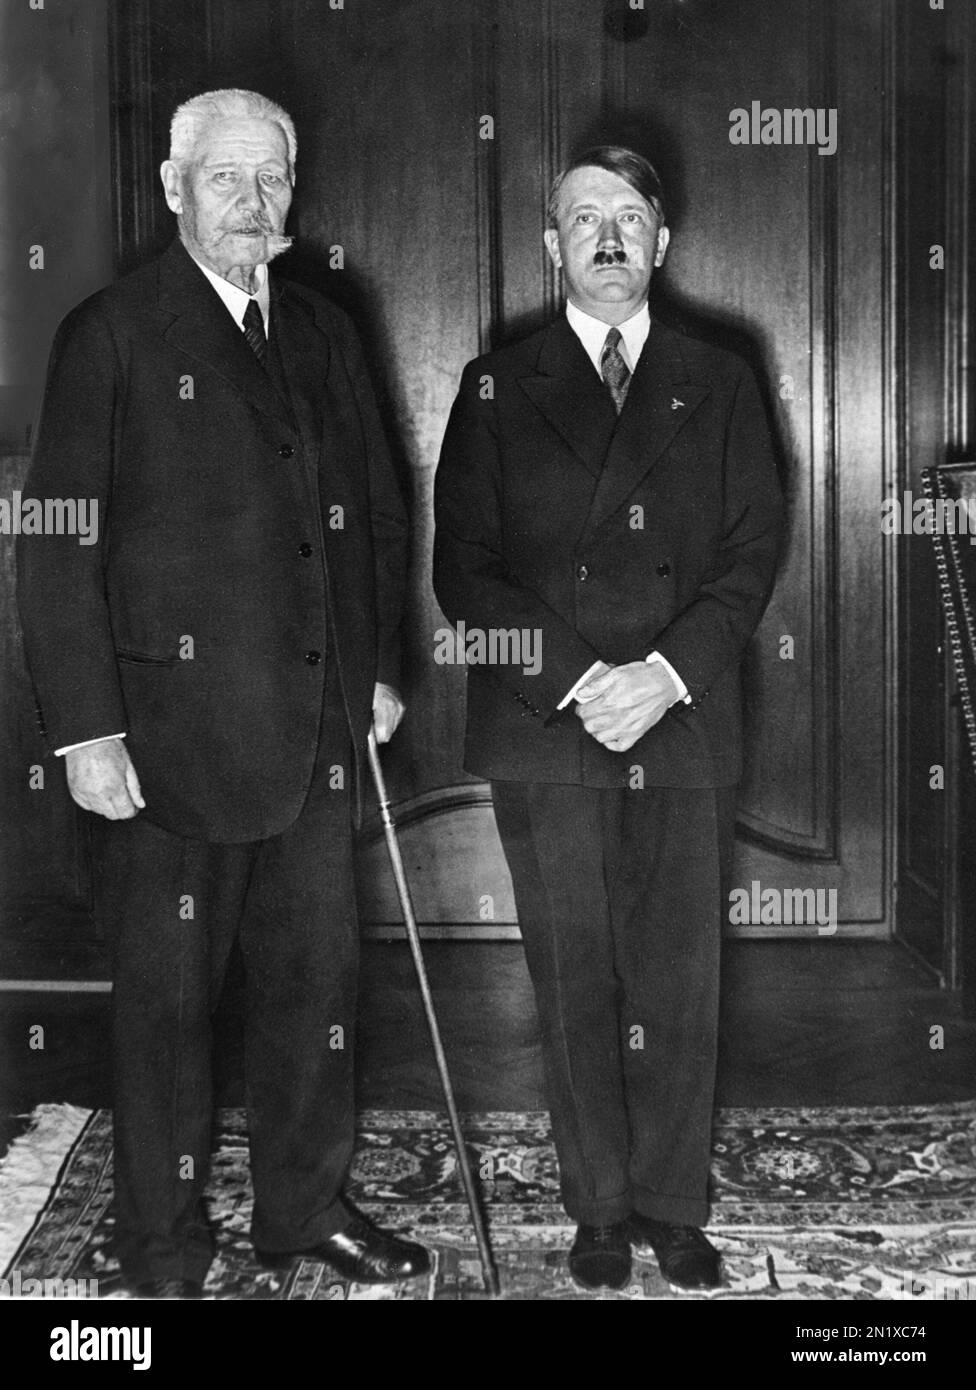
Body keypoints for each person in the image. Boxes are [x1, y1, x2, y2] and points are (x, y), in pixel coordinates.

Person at [17, 88, 428, 1298]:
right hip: (166, 745)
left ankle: (304, 1210)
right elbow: (58, 541)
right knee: (167, 1014)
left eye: (272, 182)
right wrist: (88, 731)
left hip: (313, 735)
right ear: (172, 188)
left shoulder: (323, 330)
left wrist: (381, 670)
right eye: (224, 180)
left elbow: (370, 517)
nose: (252, 205)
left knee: (317, 991)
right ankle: (161, 1245)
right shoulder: (112, 333)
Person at [434, 145, 783, 1293]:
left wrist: (665, 675)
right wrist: (587, 679)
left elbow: (750, 551)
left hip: (681, 718)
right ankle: (596, 1206)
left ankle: (675, 1208)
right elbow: (465, 570)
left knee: (680, 976)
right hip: (553, 725)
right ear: (551, 245)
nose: (608, 237)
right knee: (573, 972)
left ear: (663, 240)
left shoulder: (721, 375)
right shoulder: (496, 381)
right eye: (584, 217)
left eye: (629, 216)